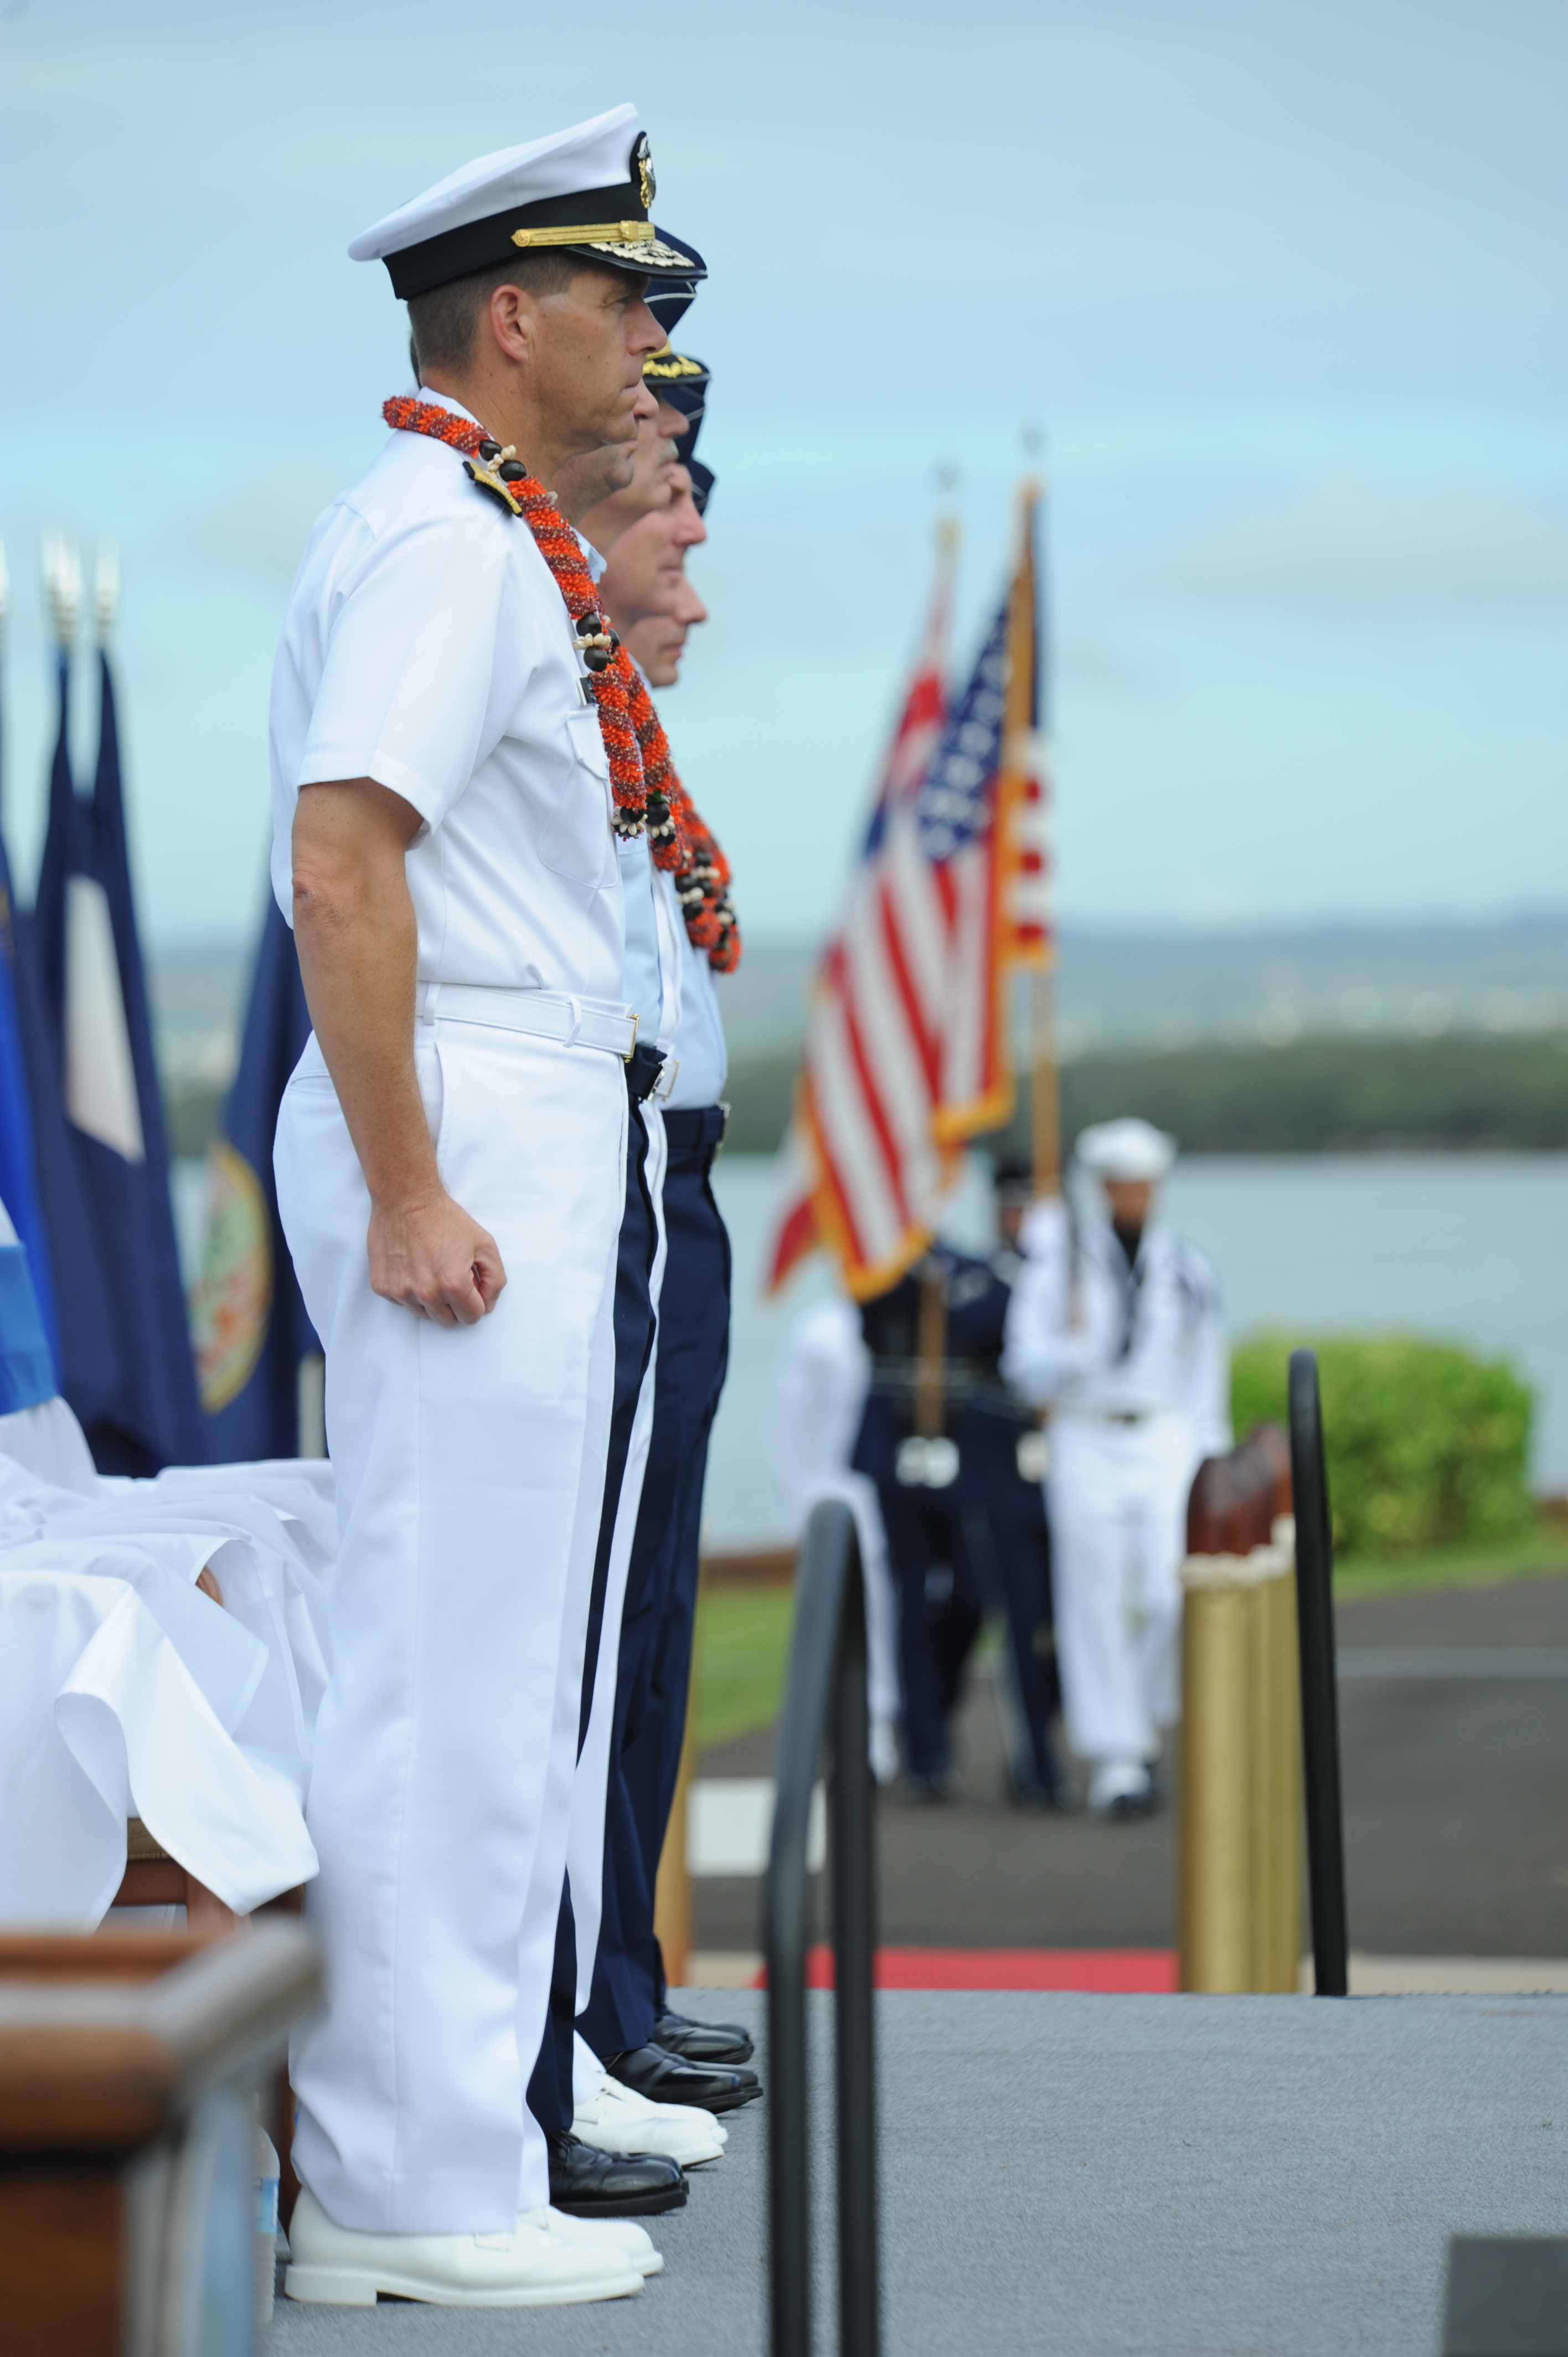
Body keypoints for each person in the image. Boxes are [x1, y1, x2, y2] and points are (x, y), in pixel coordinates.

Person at [269, 104, 709, 2309]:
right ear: (516, 316)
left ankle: (451, 2144)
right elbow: (343, 862)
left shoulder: (476, 528)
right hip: (459, 1108)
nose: (648, 334)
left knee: (504, 1677)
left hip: (508, 1099)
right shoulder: (448, 546)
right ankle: (398, 2177)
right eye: (624, 294)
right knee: (446, 1679)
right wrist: (416, 1183)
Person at [571, 361, 759, 2107]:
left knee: (655, 1609)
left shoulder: (618, 707)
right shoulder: (557, 682)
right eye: (671, 498)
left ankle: (618, 1975)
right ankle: (590, 2007)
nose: (691, 540)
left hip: (670, 1173)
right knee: (600, 1612)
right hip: (603, 1171)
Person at [1002, 1119, 1230, 1820]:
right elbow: (1021, 1364)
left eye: (1144, 1185)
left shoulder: (1186, 1268)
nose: (1134, 1196)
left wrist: (1209, 1455)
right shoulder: (1058, 1262)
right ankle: (1118, 1758)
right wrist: (1066, 1357)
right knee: (1093, 1599)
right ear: (1103, 1189)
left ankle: (1142, 1714)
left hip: (1161, 1438)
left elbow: (1205, 1371)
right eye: (1122, 1185)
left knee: (1171, 1595)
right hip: (1086, 1435)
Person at [850, 1189, 1076, 1807]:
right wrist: (913, 1274)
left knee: (976, 1598)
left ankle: (942, 1708)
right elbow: (871, 1309)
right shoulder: (877, 1268)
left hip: (968, 1460)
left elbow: (997, 1326)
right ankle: (926, 1747)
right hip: (899, 1452)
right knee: (914, 1599)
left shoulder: (977, 1272)